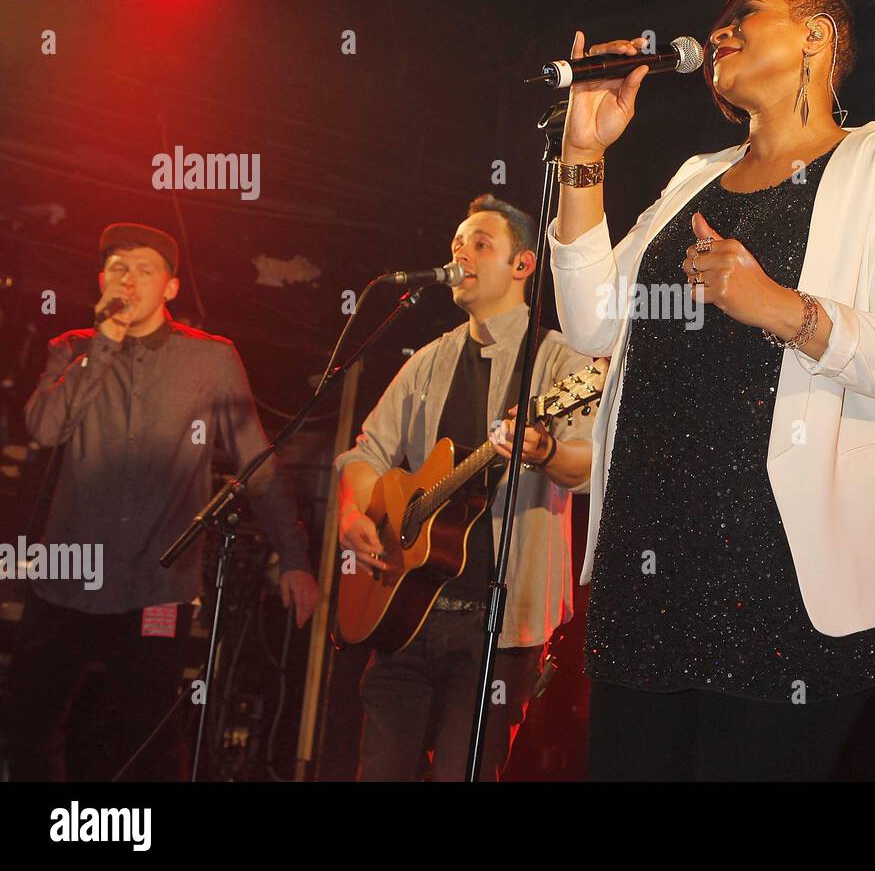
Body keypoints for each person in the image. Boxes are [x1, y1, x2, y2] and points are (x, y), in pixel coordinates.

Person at [546, 0, 875, 781]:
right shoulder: (694, 178)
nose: (720, 36)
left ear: (816, 36)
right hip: (651, 562)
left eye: (744, 17)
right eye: (718, 25)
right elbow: (591, 319)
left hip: (780, 576)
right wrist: (583, 153)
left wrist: (779, 307)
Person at [8, 222, 319, 781]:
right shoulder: (72, 349)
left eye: (144, 268)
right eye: (119, 267)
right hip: (66, 580)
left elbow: (256, 462)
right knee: (28, 727)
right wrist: (104, 344)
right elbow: (45, 429)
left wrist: (293, 557)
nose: (129, 278)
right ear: (102, 280)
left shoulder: (210, 360)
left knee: (148, 738)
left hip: (155, 587)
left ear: (170, 288)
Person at [335, 194, 597, 781]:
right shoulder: (428, 361)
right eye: (458, 244)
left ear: (523, 265)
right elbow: (365, 450)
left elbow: (590, 465)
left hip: (499, 628)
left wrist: (547, 450)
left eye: (481, 244)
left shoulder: (559, 362)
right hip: (404, 615)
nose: (462, 254)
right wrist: (355, 512)